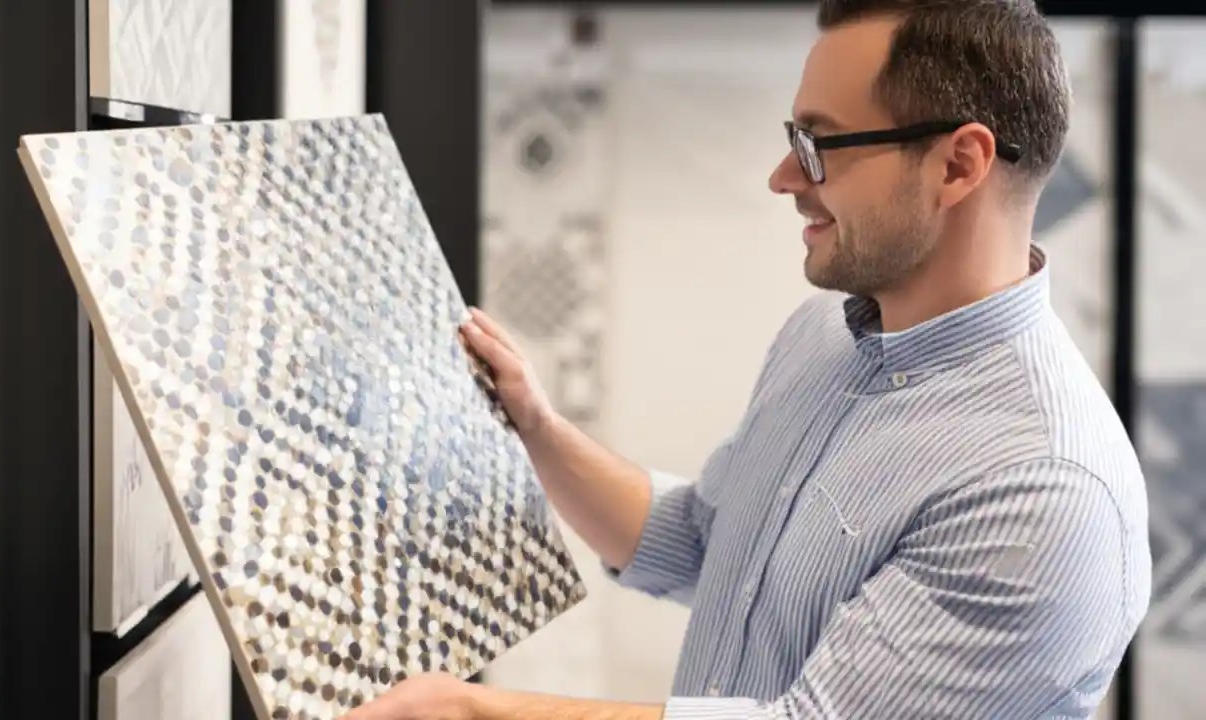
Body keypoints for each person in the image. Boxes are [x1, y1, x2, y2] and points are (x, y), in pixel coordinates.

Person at [343, 0, 1151, 717]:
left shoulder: (1044, 488)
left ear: (958, 165)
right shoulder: (822, 337)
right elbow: (702, 540)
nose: (783, 178)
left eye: (820, 145)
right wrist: (537, 426)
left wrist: (470, 714)